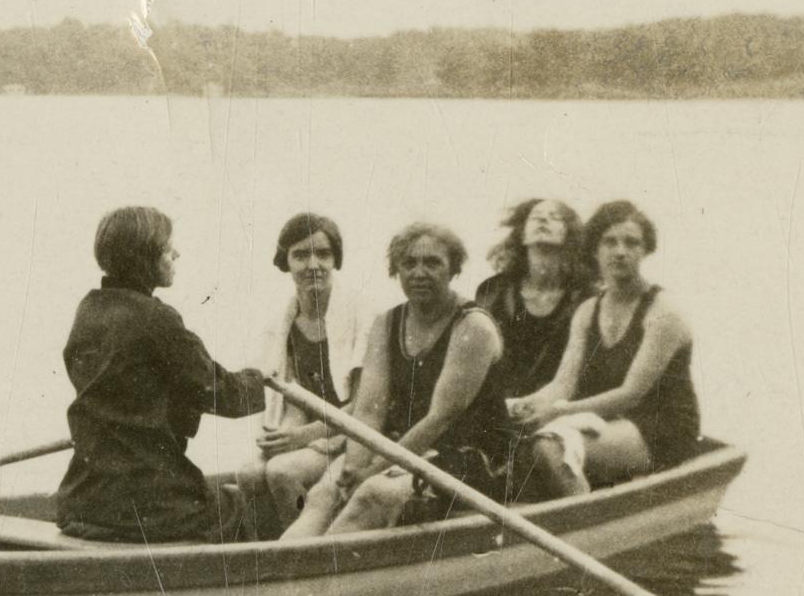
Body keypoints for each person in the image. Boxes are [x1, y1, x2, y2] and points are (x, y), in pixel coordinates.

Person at [280, 222, 507, 536]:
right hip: (407, 446)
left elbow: (439, 419)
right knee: (324, 493)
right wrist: (354, 467)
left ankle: (319, 576)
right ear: (395, 270)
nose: (419, 272)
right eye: (408, 263)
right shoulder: (386, 324)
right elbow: (370, 411)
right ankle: (285, 572)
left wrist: (372, 471)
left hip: (472, 456)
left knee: (373, 495)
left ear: (453, 269)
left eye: (432, 263)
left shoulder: (473, 326)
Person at [56, 206, 267, 543]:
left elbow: (132, 386)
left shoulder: (89, 310)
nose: (177, 254)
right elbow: (222, 393)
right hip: (144, 500)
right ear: (145, 256)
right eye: (170, 249)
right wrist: (260, 379)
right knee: (238, 506)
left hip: (83, 497)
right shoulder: (157, 319)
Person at [509, 200, 701, 497]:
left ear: (646, 250)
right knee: (511, 437)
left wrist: (556, 413)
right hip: (611, 422)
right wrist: (519, 405)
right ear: (595, 250)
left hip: (661, 429)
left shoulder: (664, 314)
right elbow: (563, 384)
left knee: (550, 447)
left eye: (632, 243)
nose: (620, 251)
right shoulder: (587, 310)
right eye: (609, 242)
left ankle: (586, 525)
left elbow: (630, 394)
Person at [234, 213, 365, 530]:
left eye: (323, 254)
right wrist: (285, 437)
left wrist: (302, 438)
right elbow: (294, 406)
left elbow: (364, 408)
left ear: (336, 259)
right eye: (301, 255)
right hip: (315, 435)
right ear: (285, 262)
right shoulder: (284, 326)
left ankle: (307, 557)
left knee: (283, 472)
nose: (313, 265)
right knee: (249, 474)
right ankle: (264, 557)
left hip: (354, 436)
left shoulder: (362, 314)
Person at [474, 198, 591, 400]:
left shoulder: (585, 296)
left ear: (569, 235)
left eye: (555, 217)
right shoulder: (494, 290)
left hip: (559, 403)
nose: (543, 219)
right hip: (495, 406)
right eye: (535, 217)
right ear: (522, 233)